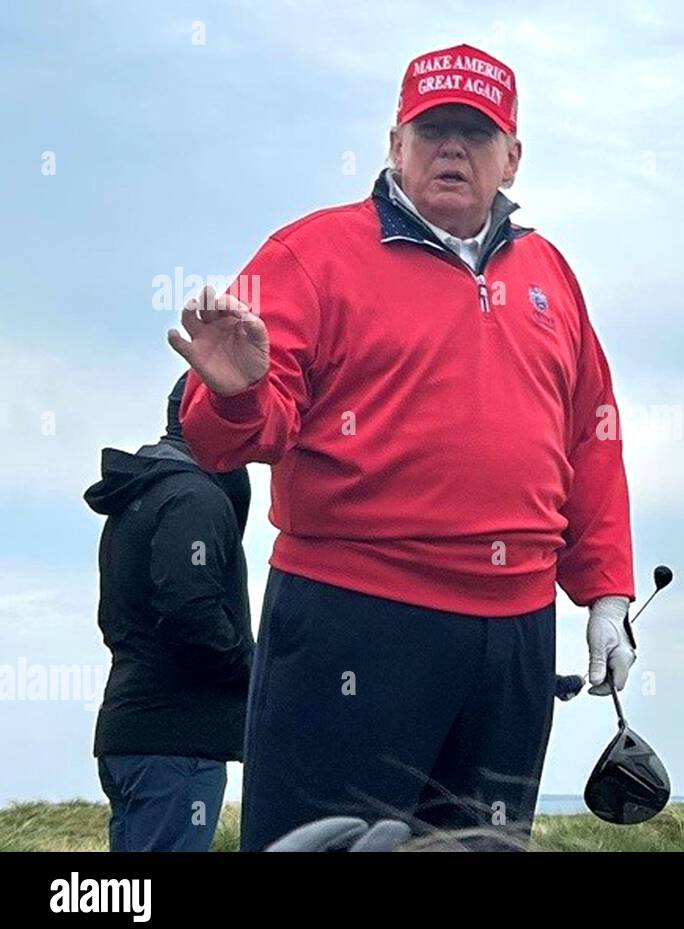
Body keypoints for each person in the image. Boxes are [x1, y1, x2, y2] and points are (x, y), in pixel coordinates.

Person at [167, 44, 637, 851]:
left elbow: (591, 431)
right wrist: (236, 390)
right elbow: (217, 438)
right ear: (394, 145)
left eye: (476, 133)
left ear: (512, 157)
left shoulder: (551, 272)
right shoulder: (309, 256)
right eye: (432, 131)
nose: (451, 149)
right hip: (356, 619)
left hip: (514, 638)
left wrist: (605, 592)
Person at [83, 375, 253, 851]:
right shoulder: (193, 498)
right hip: (177, 743)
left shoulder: (144, 493)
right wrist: (250, 671)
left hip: (135, 735)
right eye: (240, 413)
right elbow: (187, 608)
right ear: (209, 416)